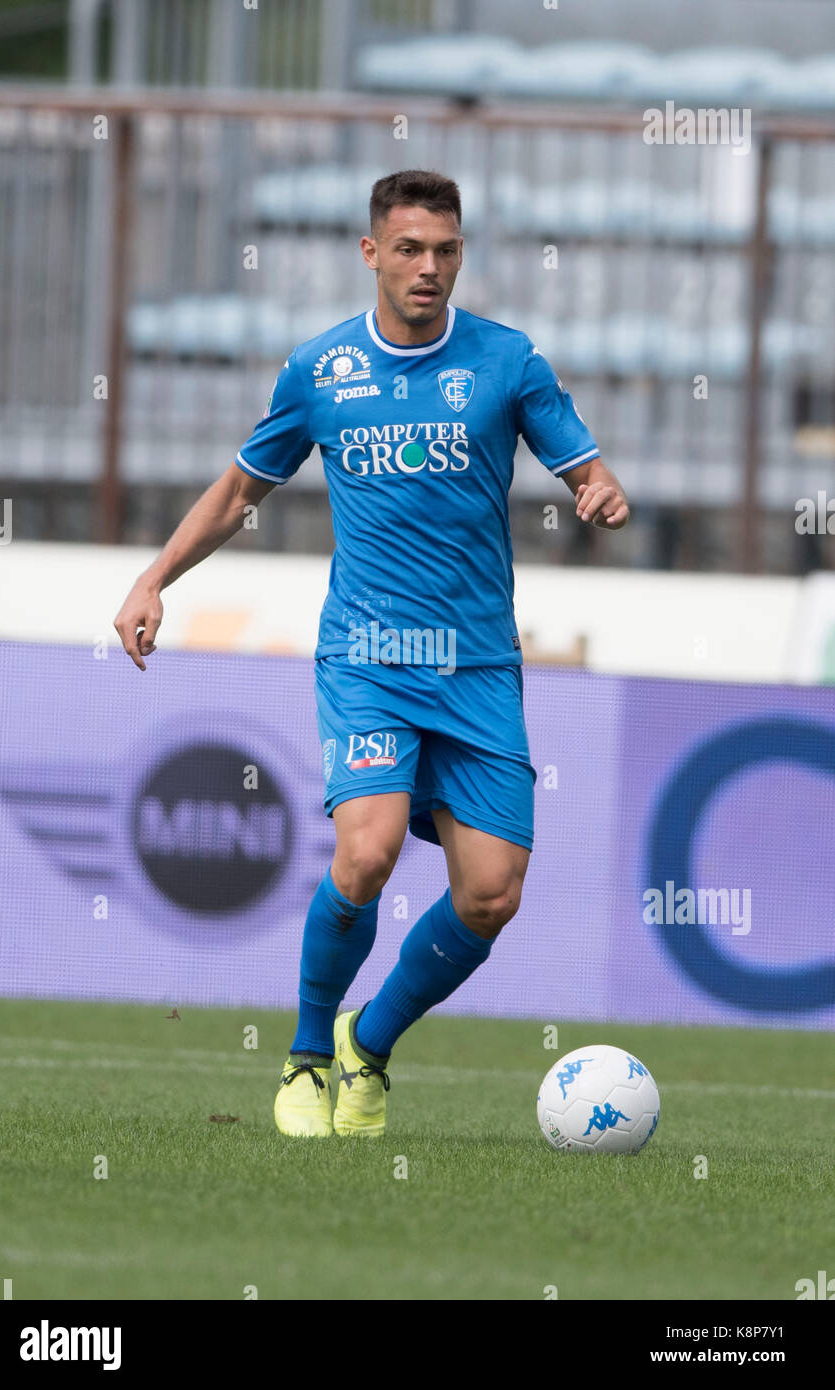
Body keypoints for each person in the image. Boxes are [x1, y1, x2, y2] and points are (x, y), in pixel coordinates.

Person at [114, 168, 629, 1139]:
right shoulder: (319, 373)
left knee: (490, 894)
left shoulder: (508, 362)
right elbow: (236, 492)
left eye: (444, 250)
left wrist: (599, 489)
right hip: (369, 656)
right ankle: (307, 1057)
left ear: (460, 253)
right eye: (408, 249)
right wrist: (154, 580)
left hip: (477, 668)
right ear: (370, 253)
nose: (427, 267)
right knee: (368, 849)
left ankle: (368, 1043)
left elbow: (584, 465)